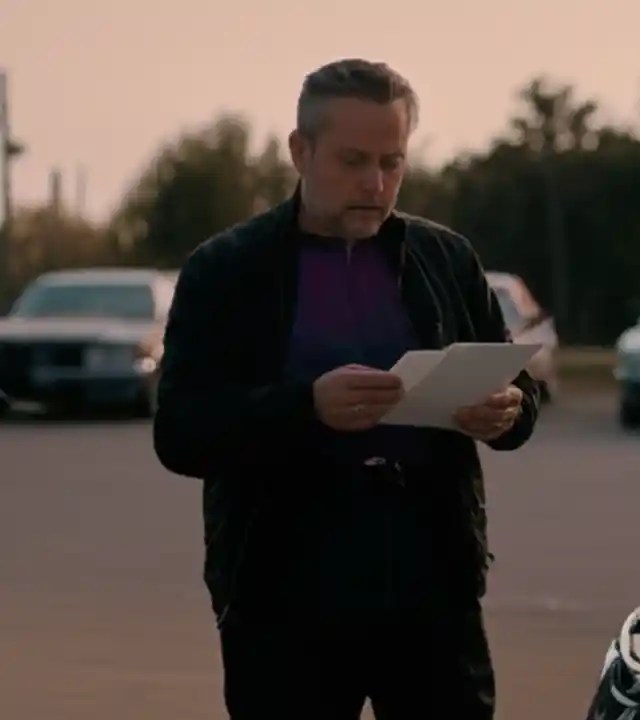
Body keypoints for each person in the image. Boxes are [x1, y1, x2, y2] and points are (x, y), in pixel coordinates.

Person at [151, 58, 540, 719]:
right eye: (353, 160)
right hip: (283, 591)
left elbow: (519, 389)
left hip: (430, 587)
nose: (376, 183)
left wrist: (508, 410)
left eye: (393, 161)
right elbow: (182, 432)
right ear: (300, 151)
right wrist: (306, 409)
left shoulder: (446, 258)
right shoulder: (226, 269)